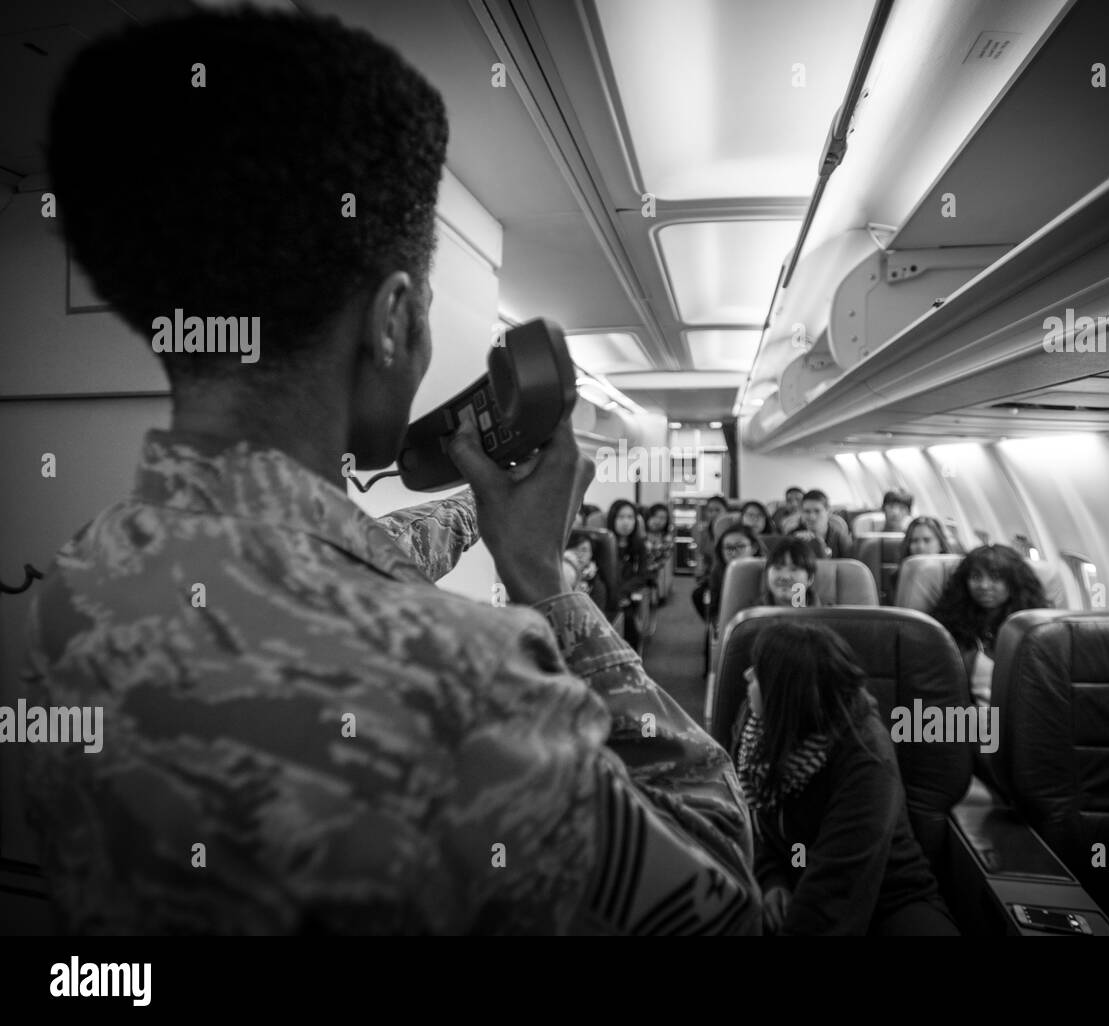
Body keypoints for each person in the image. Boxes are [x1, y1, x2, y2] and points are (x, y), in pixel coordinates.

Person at [22, 8, 758, 935]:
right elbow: (723, 893)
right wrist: (544, 581)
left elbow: (335, 556)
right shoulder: (468, 680)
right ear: (393, 318)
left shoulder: (82, 582)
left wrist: (480, 510)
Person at [732, 621, 957, 935]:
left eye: (759, 672)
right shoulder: (756, 725)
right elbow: (746, 814)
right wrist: (771, 878)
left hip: (886, 895)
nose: (747, 675)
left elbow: (840, 883)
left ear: (788, 692)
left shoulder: (866, 755)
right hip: (792, 876)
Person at [930, 545, 1048, 707]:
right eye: (976, 577)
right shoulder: (947, 625)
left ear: (1014, 583)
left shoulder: (1034, 630)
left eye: (995, 577)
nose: (984, 585)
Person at [607, 499, 650, 650]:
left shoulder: (639, 545)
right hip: (606, 596)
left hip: (627, 595)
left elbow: (642, 576)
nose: (626, 522)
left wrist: (623, 592)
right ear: (612, 519)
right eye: (621, 517)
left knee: (629, 623)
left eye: (630, 517)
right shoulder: (604, 544)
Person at [705, 525, 765, 628]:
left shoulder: (766, 571)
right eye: (728, 548)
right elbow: (714, 610)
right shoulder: (718, 573)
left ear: (754, 548)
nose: (733, 552)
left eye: (740, 546)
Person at [691, 495, 730, 618]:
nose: (713, 514)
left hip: (729, 574)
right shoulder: (705, 533)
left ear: (726, 511)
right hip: (712, 577)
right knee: (698, 595)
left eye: (717, 510)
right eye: (710, 510)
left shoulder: (732, 531)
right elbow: (702, 556)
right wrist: (700, 571)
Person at [758, 538, 823, 609]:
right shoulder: (750, 613)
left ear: (810, 579)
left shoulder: (828, 614)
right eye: (777, 568)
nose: (785, 577)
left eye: (794, 569)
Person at [797, 490, 853, 559]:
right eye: (807, 511)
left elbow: (851, 564)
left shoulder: (841, 538)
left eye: (817, 511)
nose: (812, 517)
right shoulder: (795, 536)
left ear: (828, 511)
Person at [564, 533, 608, 615]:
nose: (578, 554)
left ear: (591, 555)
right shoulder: (560, 574)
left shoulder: (596, 585)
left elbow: (596, 617)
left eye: (584, 550)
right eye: (573, 549)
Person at [642, 503, 673, 597]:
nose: (658, 521)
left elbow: (663, 559)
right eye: (655, 516)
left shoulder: (667, 538)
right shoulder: (640, 533)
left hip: (653, 572)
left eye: (663, 518)